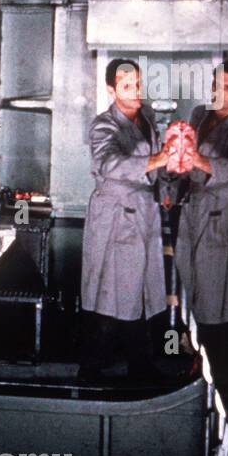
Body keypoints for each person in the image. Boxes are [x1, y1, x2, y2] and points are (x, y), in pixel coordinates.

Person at [78, 58, 173, 380]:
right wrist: (157, 159)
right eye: (127, 86)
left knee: (137, 292)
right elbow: (110, 164)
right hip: (117, 214)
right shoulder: (104, 125)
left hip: (144, 211)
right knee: (114, 292)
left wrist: (171, 169)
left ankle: (138, 364)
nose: (136, 91)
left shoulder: (147, 117)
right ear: (111, 89)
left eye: (138, 84)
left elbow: (158, 167)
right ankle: (91, 368)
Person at [172, 59, 228, 387]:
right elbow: (185, 161)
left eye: (227, 88)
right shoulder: (200, 115)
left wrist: (199, 160)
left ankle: (225, 380)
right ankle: (194, 369)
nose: (217, 93)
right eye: (215, 85)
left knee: (223, 302)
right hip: (195, 212)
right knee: (191, 293)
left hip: (226, 221)